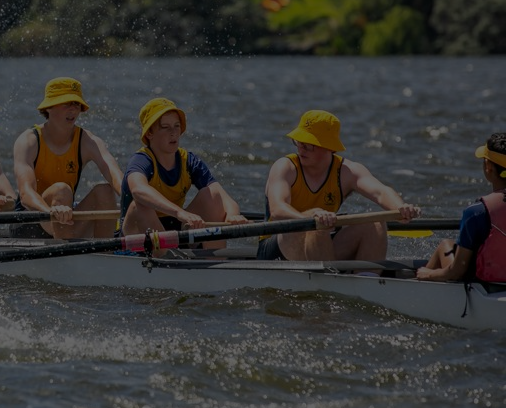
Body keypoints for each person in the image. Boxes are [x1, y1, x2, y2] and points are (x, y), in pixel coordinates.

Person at [257, 109, 421, 262]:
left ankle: (366, 280)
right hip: (275, 248)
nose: (301, 148)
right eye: (298, 142)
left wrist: (400, 209)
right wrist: (311, 220)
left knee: (375, 222)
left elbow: (381, 192)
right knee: (318, 221)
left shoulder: (347, 171)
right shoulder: (286, 167)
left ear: (329, 147)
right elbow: (278, 209)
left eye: (308, 144)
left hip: (321, 242)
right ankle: (329, 280)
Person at [117, 97, 247, 254]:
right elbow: (138, 190)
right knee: (140, 204)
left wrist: (233, 216)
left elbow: (221, 196)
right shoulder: (142, 160)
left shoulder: (189, 161)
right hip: (134, 237)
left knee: (211, 195)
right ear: (150, 133)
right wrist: (180, 213)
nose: (173, 133)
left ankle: (215, 261)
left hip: (173, 230)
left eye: (177, 126)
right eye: (165, 127)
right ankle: (168, 258)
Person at [12, 76, 124, 239]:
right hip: (30, 222)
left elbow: (116, 176)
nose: (73, 110)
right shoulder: (29, 140)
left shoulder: (87, 141)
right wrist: (50, 212)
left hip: (65, 222)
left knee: (105, 191)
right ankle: (68, 250)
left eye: (76, 104)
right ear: (48, 108)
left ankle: (104, 256)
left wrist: (135, 200)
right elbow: (26, 193)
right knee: (61, 189)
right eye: (66, 104)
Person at [416, 133, 506, 285]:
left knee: (445, 245)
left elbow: (457, 272)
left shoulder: (476, 212)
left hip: (486, 287)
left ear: (488, 166)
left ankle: (416, 297)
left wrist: (429, 274)